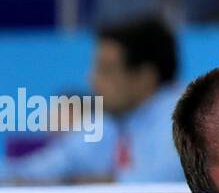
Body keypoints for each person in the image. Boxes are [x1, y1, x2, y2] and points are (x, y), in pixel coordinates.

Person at [3, 19, 184, 184]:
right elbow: (36, 171)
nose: (92, 80)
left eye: (106, 70)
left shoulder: (186, 118)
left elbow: (161, 183)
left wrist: (82, 183)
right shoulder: (109, 123)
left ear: (145, 78)